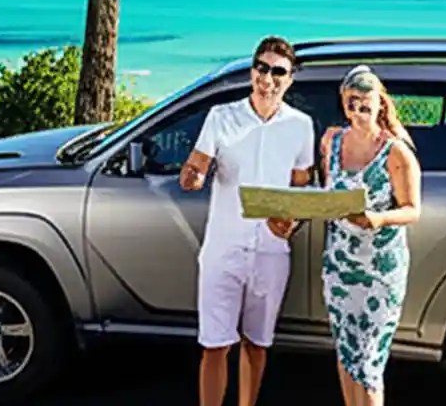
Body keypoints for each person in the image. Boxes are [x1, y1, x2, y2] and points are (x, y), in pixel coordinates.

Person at [178, 36, 314, 406]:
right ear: (253, 70)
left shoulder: (301, 126)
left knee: (257, 343)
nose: (267, 78)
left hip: (271, 253)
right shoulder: (221, 117)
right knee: (214, 345)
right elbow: (195, 169)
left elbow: (301, 190)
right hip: (223, 251)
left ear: (290, 79)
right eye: (261, 67)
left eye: (277, 71)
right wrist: (192, 177)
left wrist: (292, 223)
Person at [314, 64, 422, 406]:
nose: (358, 108)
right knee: (346, 353)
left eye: (364, 102)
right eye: (351, 102)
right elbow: (326, 193)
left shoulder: (396, 151)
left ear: (380, 103)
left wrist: (377, 218)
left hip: (379, 271)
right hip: (339, 267)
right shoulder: (331, 140)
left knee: (369, 361)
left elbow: (412, 209)